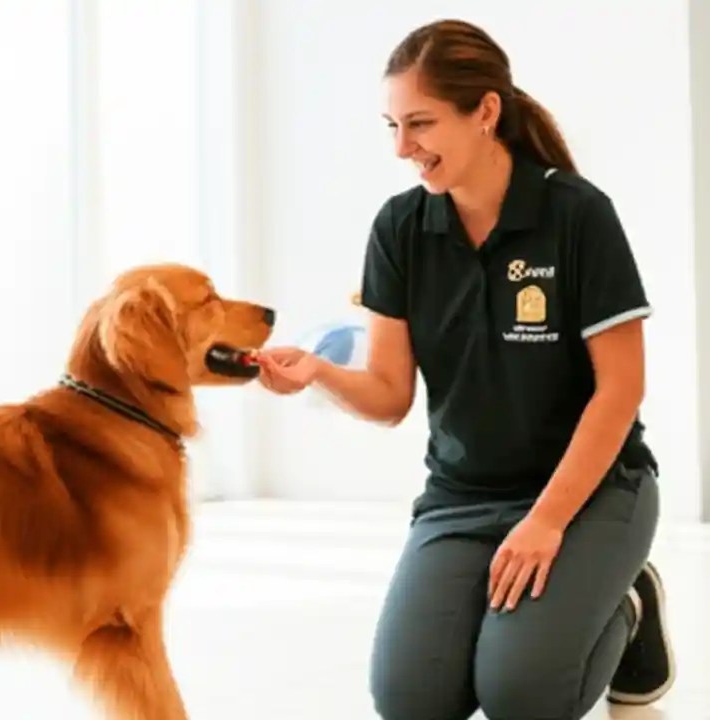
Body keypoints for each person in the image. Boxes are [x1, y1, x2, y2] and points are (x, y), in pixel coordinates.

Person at [256, 18, 675, 720]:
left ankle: (629, 603)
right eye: (392, 126)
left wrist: (546, 521)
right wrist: (318, 374)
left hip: (593, 492)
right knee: (411, 702)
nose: (402, 148)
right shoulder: (400, 229)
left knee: (522, 696)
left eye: (420, 123)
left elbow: (621, 389)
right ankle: (535, 615)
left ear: (485, 111)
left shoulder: (577, 214)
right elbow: (390, 395)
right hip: (463, 497)